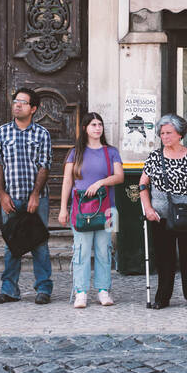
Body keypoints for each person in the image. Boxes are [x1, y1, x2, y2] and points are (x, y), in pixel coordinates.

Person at [0, 87, 53, 305]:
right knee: (11, 243)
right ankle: (9, 290)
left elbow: (44, 166)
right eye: (15, 101)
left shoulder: (42, 134)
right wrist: (1, 194)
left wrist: (35, 195)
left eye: (23, 102)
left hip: (37, 198)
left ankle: (43, 288)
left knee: (40, 243)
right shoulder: (2, 132)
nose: (17, 105)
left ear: (33, 108)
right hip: (11, 197)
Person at [140, 114, 187, 309]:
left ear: (180, 134)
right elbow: (143, 185)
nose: (165, 136)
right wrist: (148, 208)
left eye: (169, 133)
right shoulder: (155, 157)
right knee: (164, 260)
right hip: (161, 216)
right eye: (162, 133)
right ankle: (162, 297)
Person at [57, 112, 123, 308]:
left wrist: (101, 182)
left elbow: (119, 176)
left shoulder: (111, 152)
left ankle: (103, 290)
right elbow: (67, 181)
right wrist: (62, 208)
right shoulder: (75, 153)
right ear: (85, 128)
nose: (97, 128)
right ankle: (81, 292)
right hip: (81, 209)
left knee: (105, 250)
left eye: (100, 124)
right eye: (93, 124)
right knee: (81, 250)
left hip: (109, 209)